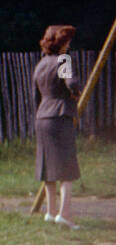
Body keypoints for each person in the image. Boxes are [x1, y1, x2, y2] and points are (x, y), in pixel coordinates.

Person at [34, 24, 83, 229]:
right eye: (67, 42)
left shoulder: (42, 64)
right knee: (66, 168)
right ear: (62, 43)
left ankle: (51, 212)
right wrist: (76, 92)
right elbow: (71, 83)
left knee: (48, 167)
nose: (69, 45)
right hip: (60, 115)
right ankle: (64, 214)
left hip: (42, 117)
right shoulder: (64, 60)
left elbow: (37, 93)